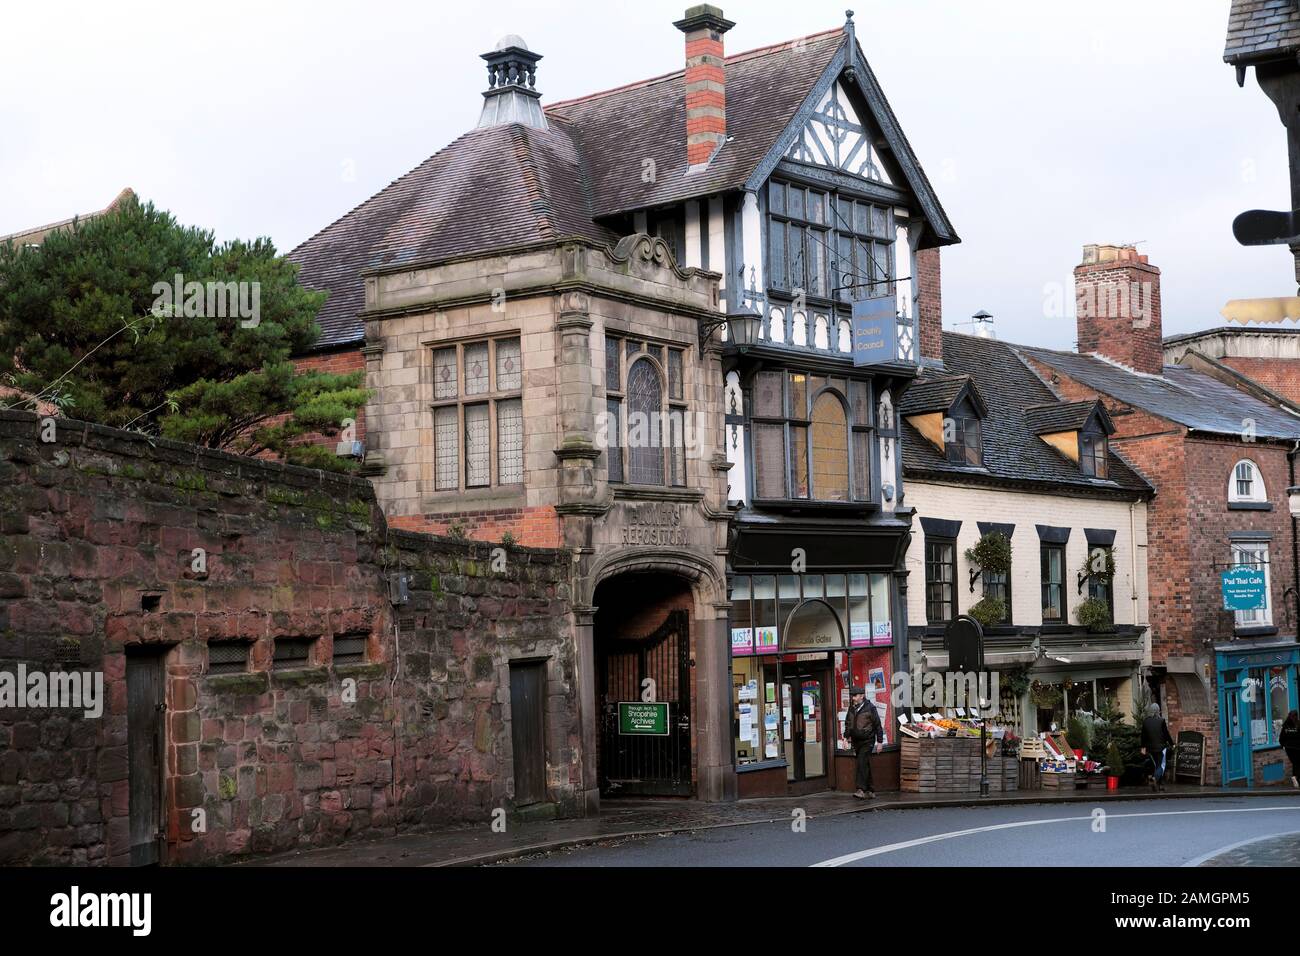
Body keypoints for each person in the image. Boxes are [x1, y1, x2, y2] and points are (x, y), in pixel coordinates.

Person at [844, 686, 884, 799]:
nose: (853, 698)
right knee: (864, 764)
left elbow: (878, 726)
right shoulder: (852, 708)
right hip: (856, 741)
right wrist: (846, 738)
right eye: (852, 696)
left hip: (868, 741)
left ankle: (860, 789)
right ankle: (870, 790)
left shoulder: (870, 708)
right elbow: (848, 724)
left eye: (855, 696)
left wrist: (880, 742)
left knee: (861, 762)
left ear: (862, 696)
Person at [1139, 702, 1175, 792]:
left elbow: (1143, 736)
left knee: (1155, 765)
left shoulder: (1146, 721)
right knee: (1161, 766)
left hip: (1150, 748)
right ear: (1158, 711)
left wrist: (1143, 747)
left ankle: (1160, 785)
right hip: (1161, 747)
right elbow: (1166, 734)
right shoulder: (1161, 721)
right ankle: (1155, 778)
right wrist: (1172, 744)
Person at [1280, 710, 1300, 789]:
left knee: (1296, 763)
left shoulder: (1285, 725)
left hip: (1289, 748)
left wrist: (1283, 746)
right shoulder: (1298, 724)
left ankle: (1295, 778)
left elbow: (1281, 738)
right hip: (1297, 747)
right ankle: (1296, 778)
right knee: (1297, 763)